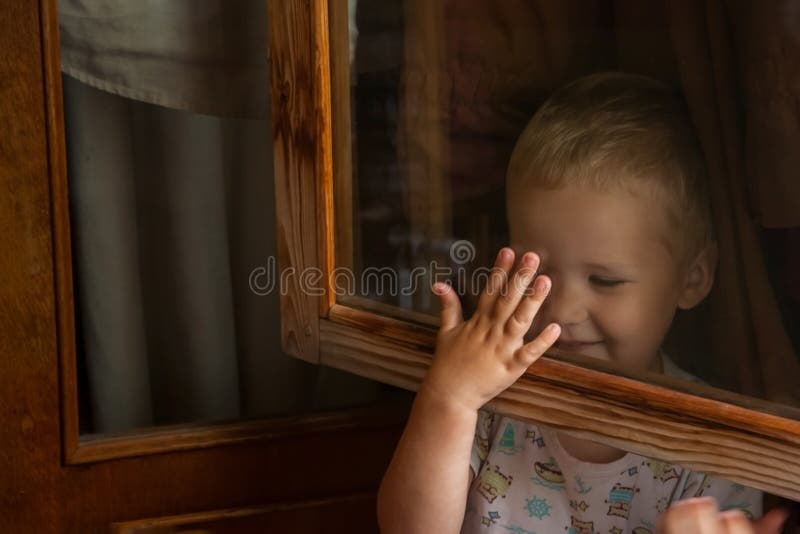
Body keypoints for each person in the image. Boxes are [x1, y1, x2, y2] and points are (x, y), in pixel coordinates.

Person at [376, 72, 789, 534]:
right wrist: (449, 397)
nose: (564, 309)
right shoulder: (492, 391)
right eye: (539, 275)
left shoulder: (712, 444)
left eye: (605, 280)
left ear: (691, 279)